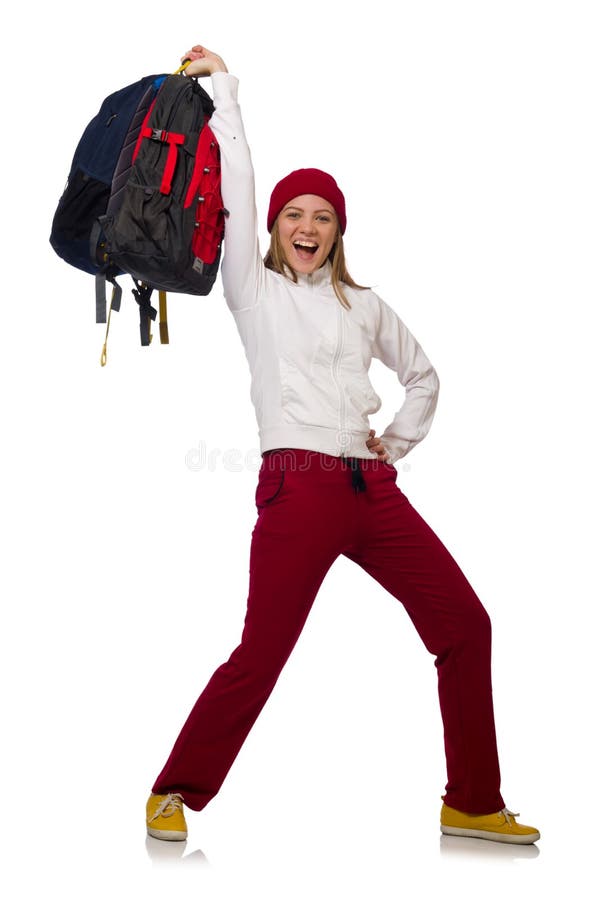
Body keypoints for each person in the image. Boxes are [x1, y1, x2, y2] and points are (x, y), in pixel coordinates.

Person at [145, 44, 540, 846]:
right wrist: (224, 90)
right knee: (263, 652)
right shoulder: (253, 293)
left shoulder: (364, 304)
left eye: (322, 217)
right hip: (298, 488)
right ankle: (174, 789)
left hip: (374, 493)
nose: (308, 227)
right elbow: (244, 181)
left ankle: (471, 800)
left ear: (338, 232)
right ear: (276, 226)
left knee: (466, 623)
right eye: (295, 215)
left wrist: (393, 445)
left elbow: (425, 376)